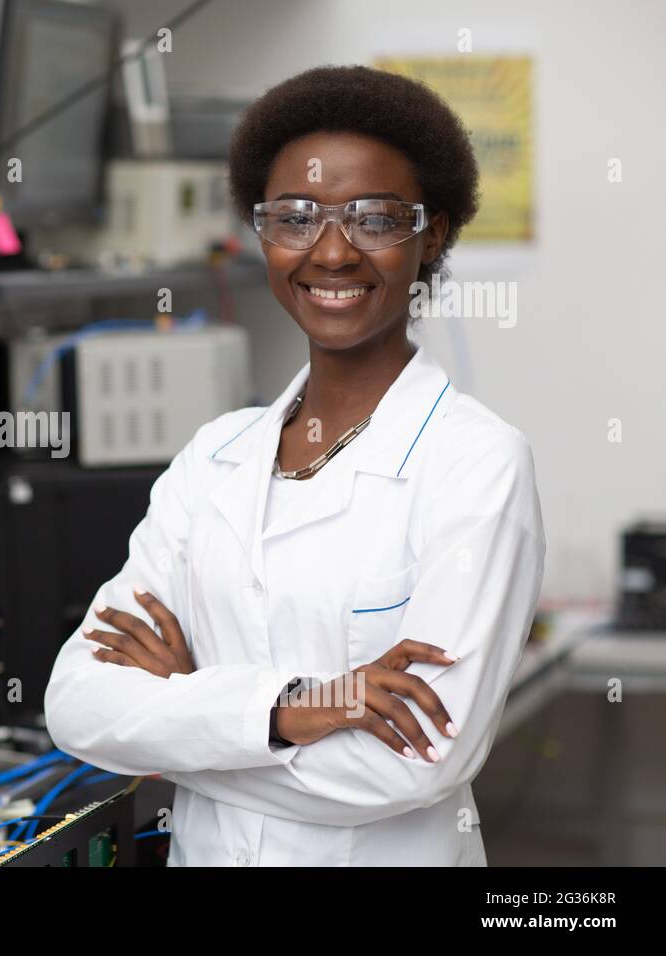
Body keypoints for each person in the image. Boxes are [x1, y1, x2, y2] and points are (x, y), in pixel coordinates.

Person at [43, 65, 545, 866]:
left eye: (376, 218)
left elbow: (414, 762)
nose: (333, 251)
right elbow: (75, 705)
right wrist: (293, 709)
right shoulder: (215, 456)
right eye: (295, 216)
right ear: (262, 232)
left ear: (434, 235)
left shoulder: (477, 463)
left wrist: (180, 728)